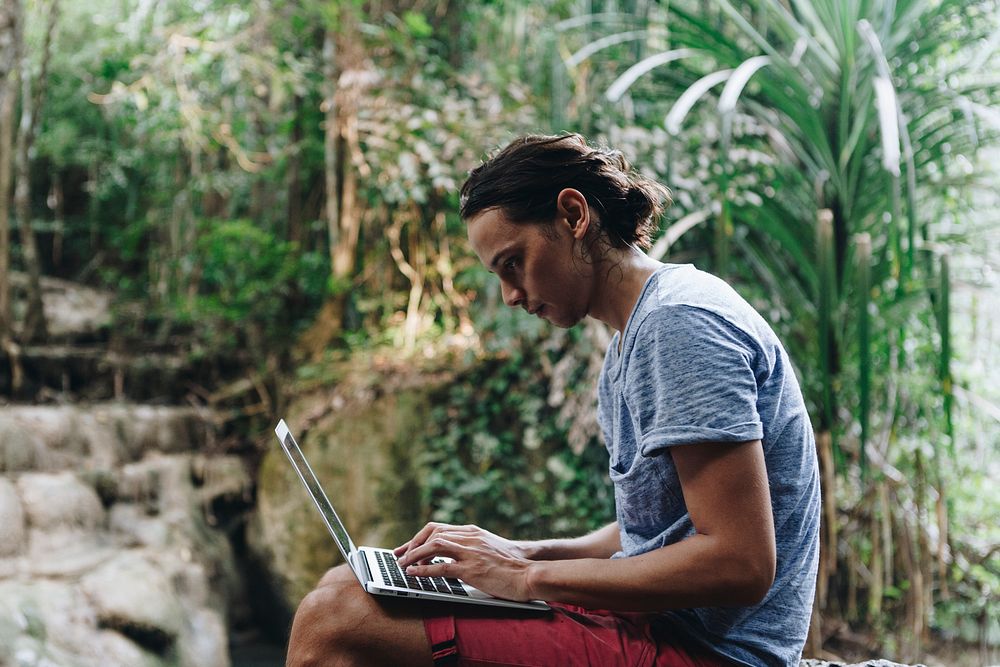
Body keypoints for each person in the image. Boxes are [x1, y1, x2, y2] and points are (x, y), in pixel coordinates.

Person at [285, 133, 821, 667]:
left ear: (572, 215)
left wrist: (525, 577)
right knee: (344, 584)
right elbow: (660, 527)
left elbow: (740, 562)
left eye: (513, 263)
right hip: (659, 630)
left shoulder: (678, 323)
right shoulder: (630, 345)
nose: (510, 296)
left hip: (710, 653)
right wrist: (523, 552)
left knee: (333, 622)